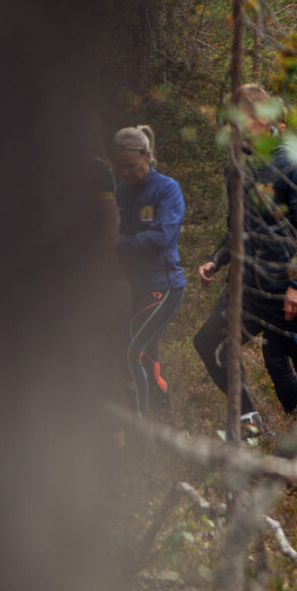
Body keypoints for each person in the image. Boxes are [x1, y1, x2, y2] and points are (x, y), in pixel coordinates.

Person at [191, 85, 297, 438]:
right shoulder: (235, 167)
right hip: (250, 287)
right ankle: (252, 422)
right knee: (209, 342)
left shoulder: (291, 165)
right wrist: (216, 260)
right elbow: (237, 226)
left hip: (291, 288)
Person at [110, 125, 185, 418]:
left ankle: (143, 427)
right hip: (132, 287)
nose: (126, 172)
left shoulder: (167, 188)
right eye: (120, 168)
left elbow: (161, 236)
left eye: (131, 165)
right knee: (145, 350)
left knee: (133, 351)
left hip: (164, 286)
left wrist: (119, 243)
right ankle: (162, 411)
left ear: (147, 155)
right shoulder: (120, 192)